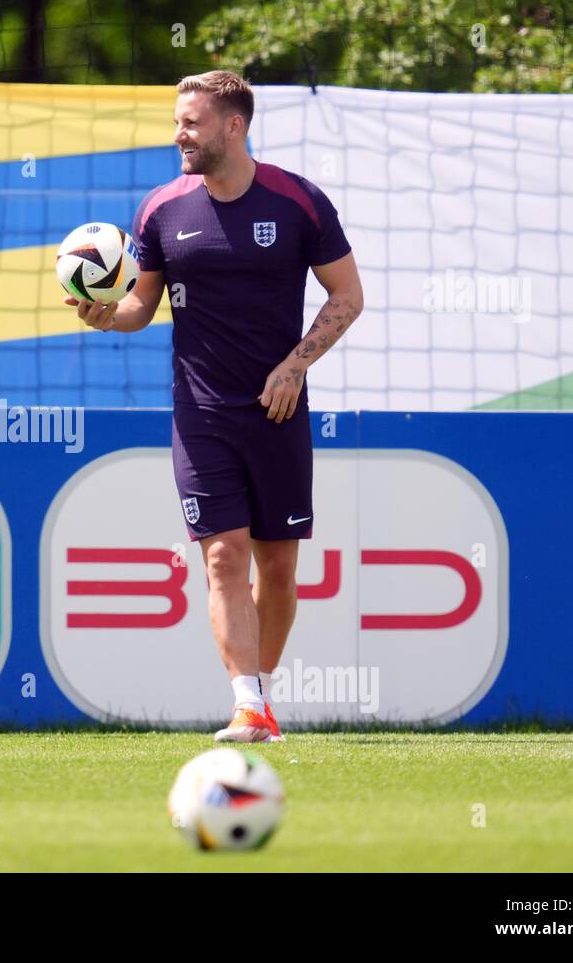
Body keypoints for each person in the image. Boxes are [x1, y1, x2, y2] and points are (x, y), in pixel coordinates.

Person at [72, 71, 364, 743]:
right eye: (178, 121)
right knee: (223, 558)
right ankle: (247, 704)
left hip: (278, 414)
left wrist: (296, 364)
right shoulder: (161, 209)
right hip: (199, 416)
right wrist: (105, 316)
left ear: (233, 126)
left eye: (191, 123)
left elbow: (347, 296)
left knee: (280, 569)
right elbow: (142, 306)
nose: (180, 134)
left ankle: (259, 702)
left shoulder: (299, 201)